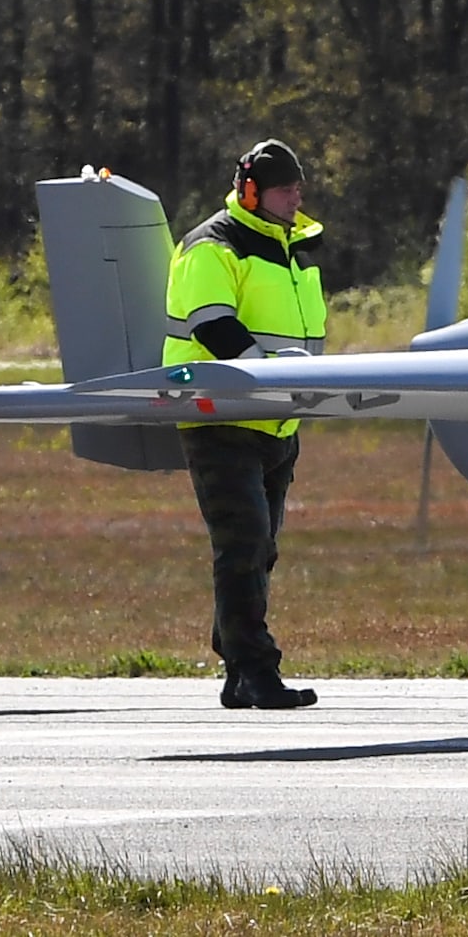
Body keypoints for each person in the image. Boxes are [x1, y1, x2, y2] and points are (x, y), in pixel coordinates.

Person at [164, 139, 329, 709]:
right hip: (221, 417)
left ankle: (236, 664)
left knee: (259, 550)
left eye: (298, 187)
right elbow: (213, 325)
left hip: (278, 422)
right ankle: (256, 670)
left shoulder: (295, 249)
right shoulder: (212, 245)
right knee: (244, 544)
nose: (296, 197)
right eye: (286, 189)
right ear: (252, 192)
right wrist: (269, 379)